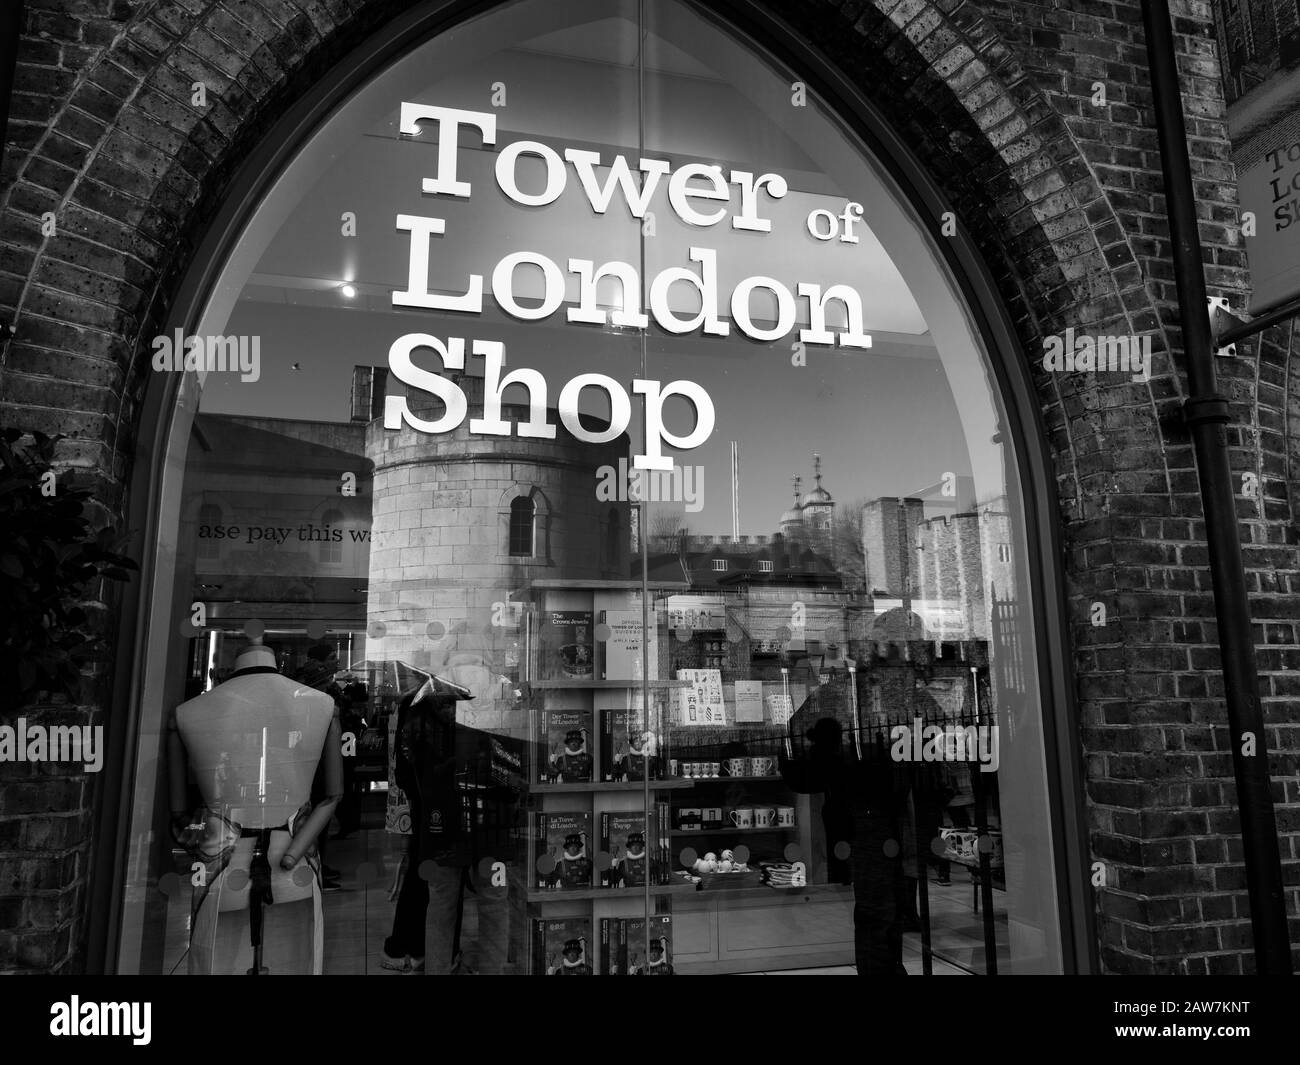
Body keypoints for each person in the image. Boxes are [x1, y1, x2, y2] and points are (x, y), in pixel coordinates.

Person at [780, 715, 913, 976]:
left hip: (865, 832)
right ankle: (884, 967)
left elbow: (802, 779)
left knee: (878, 909)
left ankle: (882, 966)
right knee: (881, 909)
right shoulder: (854, 757)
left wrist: (787, 742)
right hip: (874, 831)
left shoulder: (839, 758)